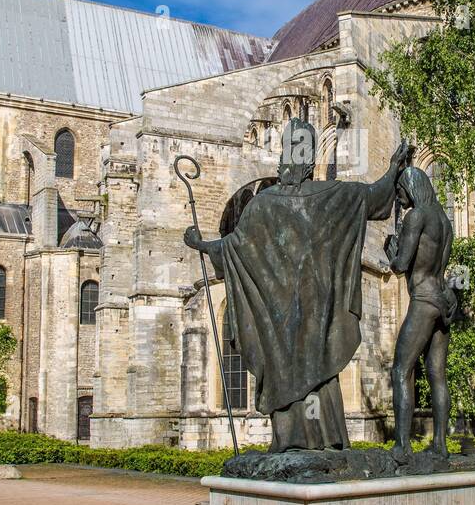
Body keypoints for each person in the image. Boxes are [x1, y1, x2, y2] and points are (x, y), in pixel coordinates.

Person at [185, 119, 409, 451]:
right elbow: (375, 197)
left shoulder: (263, 204)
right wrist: (393, 168)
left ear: (286, 159)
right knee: (318, 373)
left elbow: (233, 248)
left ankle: (291, 442)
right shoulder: (331, 195)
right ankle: (325, 439)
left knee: (287, 374)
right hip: (317, 315)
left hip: (280, 323)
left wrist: (202, 245)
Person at [385, 166, 457, 462]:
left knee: (401, 370)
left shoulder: (417, 216)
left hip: (424, 299)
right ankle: (440, 444)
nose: (399, 199)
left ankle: (402, 446)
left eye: (400, 193)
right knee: (437, 374)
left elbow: (402, 264)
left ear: (411, 188)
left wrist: (391, 251)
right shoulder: (444, 221)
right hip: (443, 300)